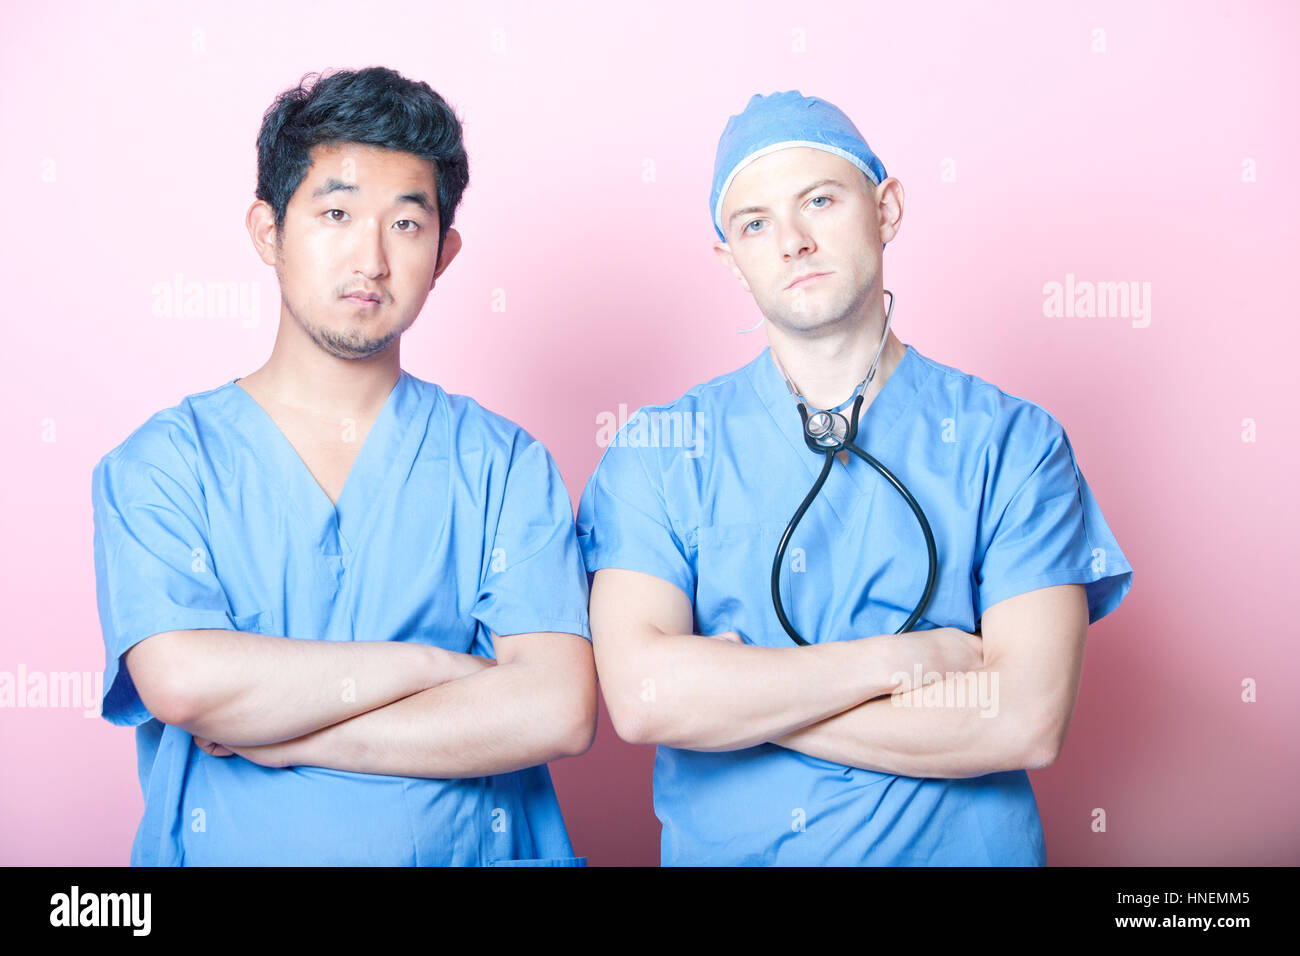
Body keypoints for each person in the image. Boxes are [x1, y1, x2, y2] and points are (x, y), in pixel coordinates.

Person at [576, 90, 1133, 866]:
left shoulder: (1012, 443)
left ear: (887, 209)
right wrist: (897, 663)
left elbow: (1024, 719)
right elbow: (642, 700)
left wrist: (744, 696)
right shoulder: (660, 450)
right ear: (730, 258)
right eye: (756, 224)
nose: (793, 241)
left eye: (820, 201)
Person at [91, 67, 596, 866]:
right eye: (335, 213)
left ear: (444, 251)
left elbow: (556, 707)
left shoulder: (502, 464)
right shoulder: (164, 464)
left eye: (406, 224)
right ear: (268, 231)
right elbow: (185, 683)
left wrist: (292, 731)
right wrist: (435, 667)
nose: (371, 258)